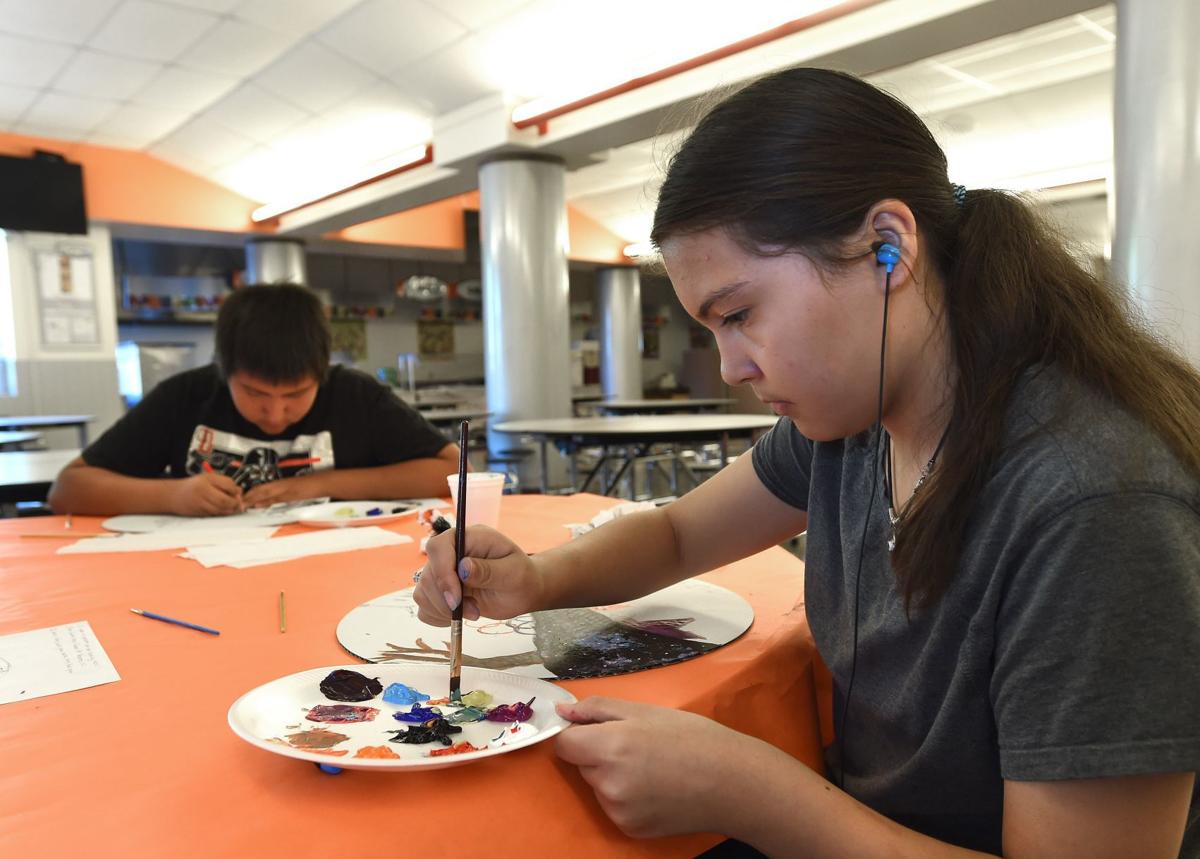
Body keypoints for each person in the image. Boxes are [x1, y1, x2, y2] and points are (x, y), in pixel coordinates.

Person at [414, 67, 1200, 858]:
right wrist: (536, 580)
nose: (731, 367)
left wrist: (750, 791)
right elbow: (679, 534)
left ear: (887, 247)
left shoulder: (1096, 504)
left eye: (739, 313)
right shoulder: (852, 423)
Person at [49, 283, 459, 516]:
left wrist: (321, 484)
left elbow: (452, 470)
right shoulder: (186, 396)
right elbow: (68, 489)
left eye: (296, 394)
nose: (276, 413)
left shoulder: (354, 395)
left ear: (322, 372)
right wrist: (173, 496)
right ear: (224, 371)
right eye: (254, 393)